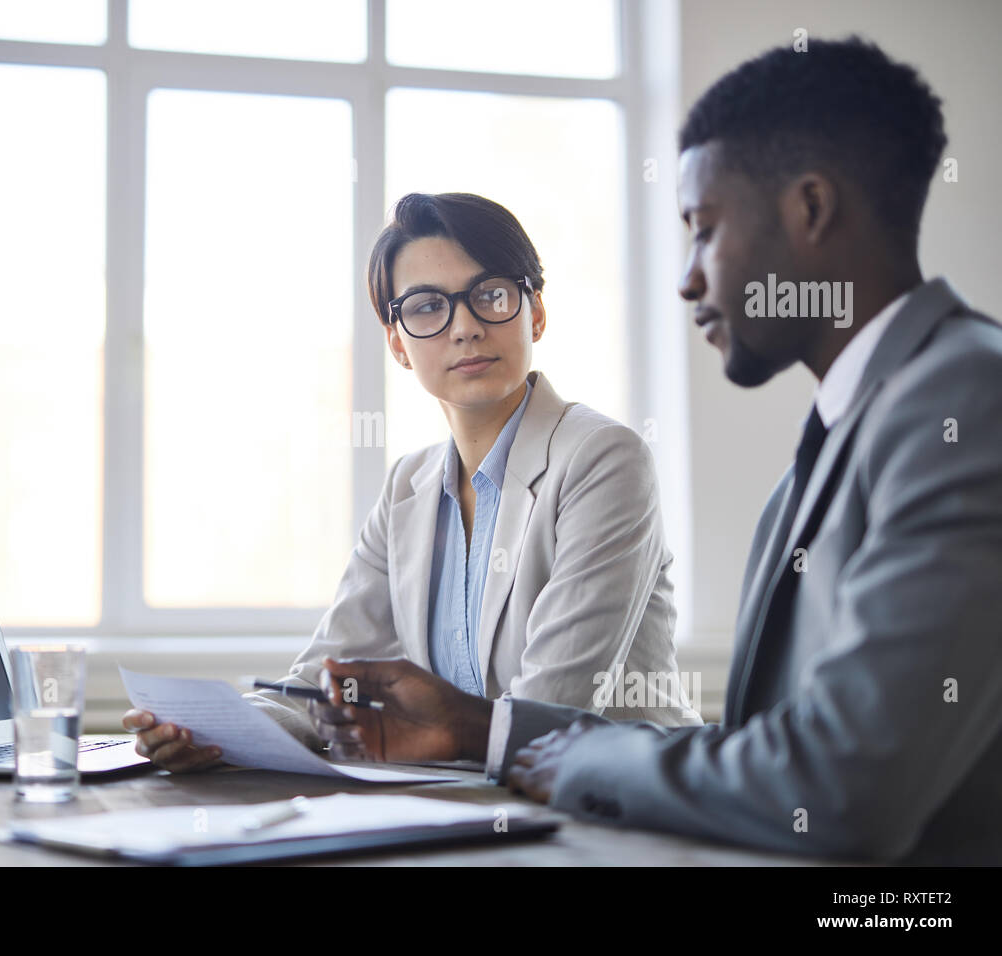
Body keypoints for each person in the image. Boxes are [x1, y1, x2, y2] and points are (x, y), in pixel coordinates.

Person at [314, 37, 1002, 864]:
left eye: (704, 229)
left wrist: (571, 749)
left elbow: (844, 782)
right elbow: (778, 748)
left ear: (810, 209)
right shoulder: (822, 458)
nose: (685, 279)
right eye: (426, 309)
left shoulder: (967, 402)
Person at [123, 192, 701, 771]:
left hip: (619, 810)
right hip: (475, 809)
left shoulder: (602, 457)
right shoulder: (408, 485)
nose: (467, 328)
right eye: (428, 307)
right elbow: (326, 677)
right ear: (398, 342)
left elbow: (554, 706)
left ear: (537, 312)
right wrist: (213, 730)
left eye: (492, 295)